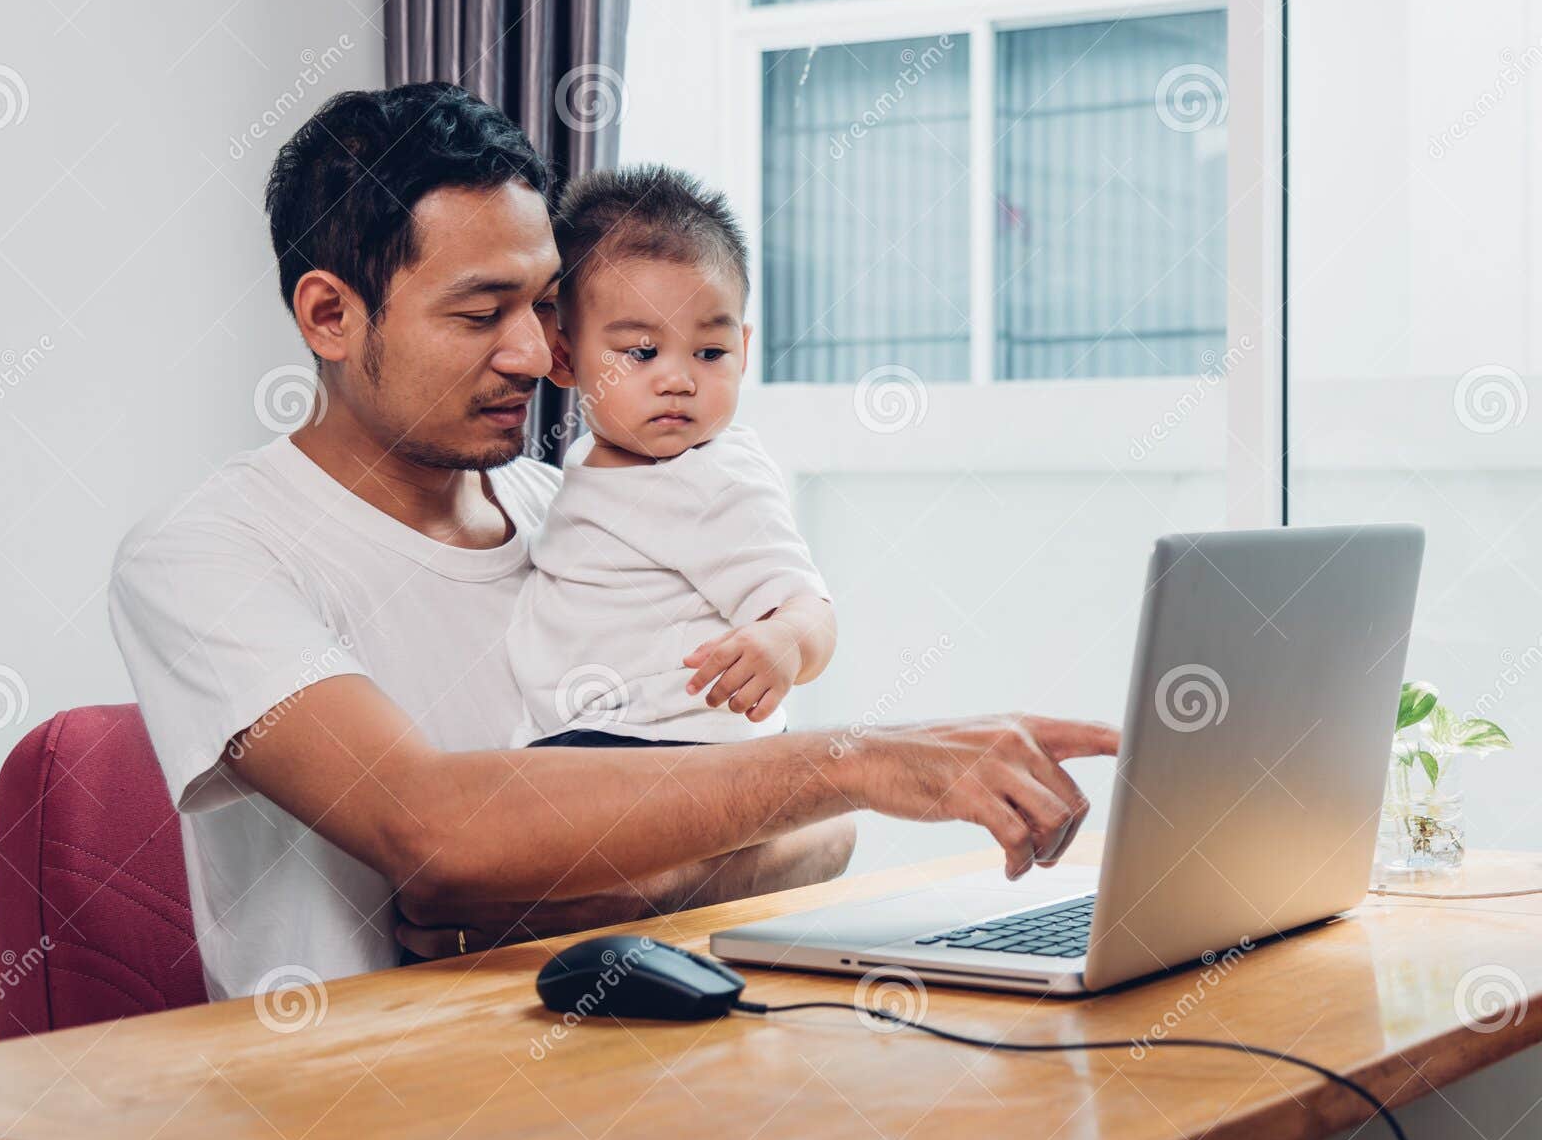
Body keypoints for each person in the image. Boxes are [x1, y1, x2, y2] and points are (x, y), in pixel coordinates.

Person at [108, 82, 1117, 1001]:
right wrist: (852, 765)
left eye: (546, 306)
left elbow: (820, 830)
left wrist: (640, 883)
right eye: (481, 313)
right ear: (330, 315)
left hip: (622, 1073)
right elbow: (430, 827)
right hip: (363, 1105)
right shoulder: (206, 555)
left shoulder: (587, 511)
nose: (533, 353)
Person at [509, 164, 834, 748]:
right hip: (594, 734)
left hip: (674, 742)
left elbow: (806, 603)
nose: (679, 380)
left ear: (743, 350)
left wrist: (784, 640)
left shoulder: (714, 476)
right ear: (563, 357)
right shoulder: (590, 460)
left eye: (710, 352)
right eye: (642, 352)